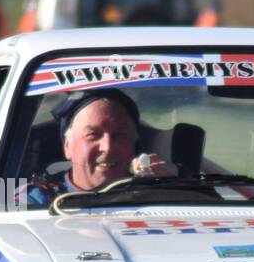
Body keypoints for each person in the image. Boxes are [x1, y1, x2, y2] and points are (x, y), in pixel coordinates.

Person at [21, 88, 176, 208]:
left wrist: (173, 185)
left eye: (119, 135)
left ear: (134, 144)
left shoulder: (159, 192)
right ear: (68, 146)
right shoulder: (33, 200)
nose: (108, 147)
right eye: (93, 135)